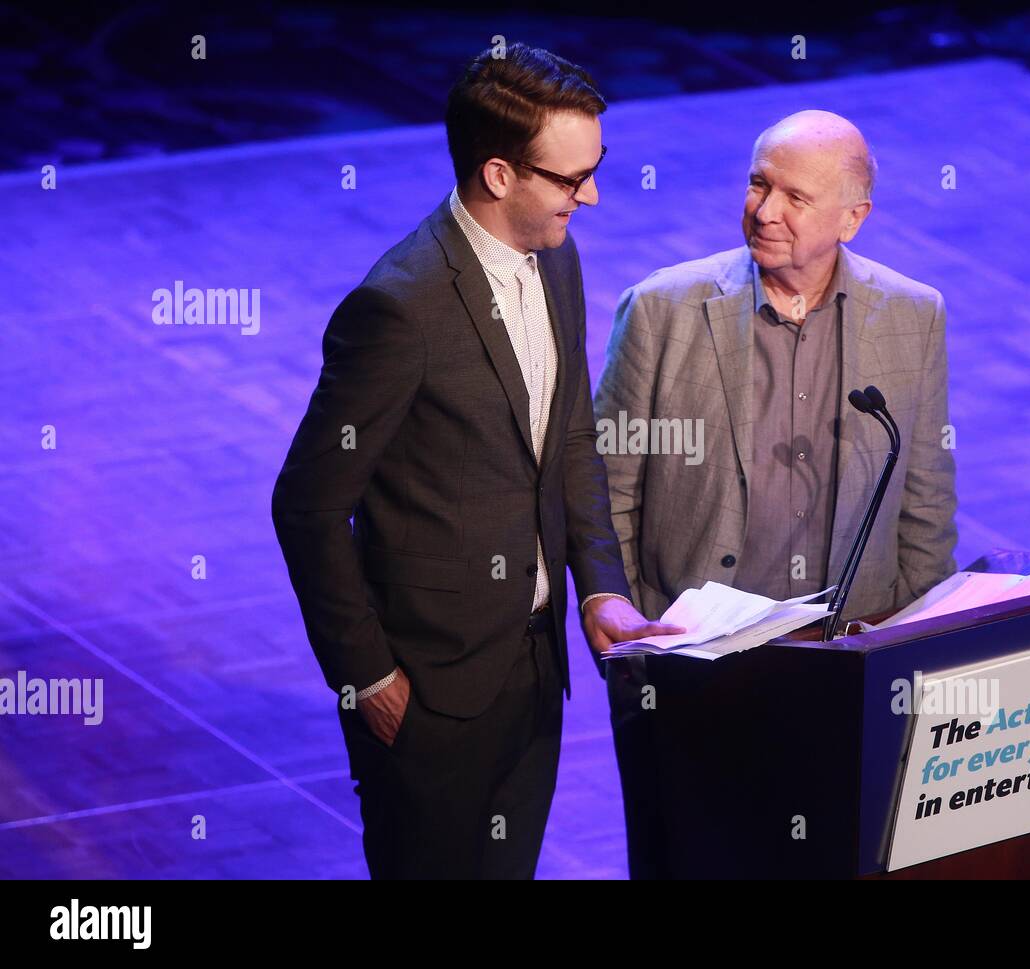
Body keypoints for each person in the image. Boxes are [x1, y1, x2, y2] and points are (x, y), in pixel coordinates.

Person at [272, 42, 679, 880]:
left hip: (533, 672)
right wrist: (369, 675)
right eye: (572, 178)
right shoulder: (399, 307)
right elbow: (306, 504)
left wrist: (598, 585)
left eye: (595, 168)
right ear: (499, 174)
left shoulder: (557, 257)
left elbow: (569, 436)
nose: (592, 194)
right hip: (428, 691)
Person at [595, 110, 959, 877]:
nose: (764, 210)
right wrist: (629, 641)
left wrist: (921, 653)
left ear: (852, 219)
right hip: (693, 669)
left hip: (843, 669)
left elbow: (925, 496)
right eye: (759, 183)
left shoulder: (914, 315)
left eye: (794, 196)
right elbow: (605, 493)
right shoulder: (662, 309)